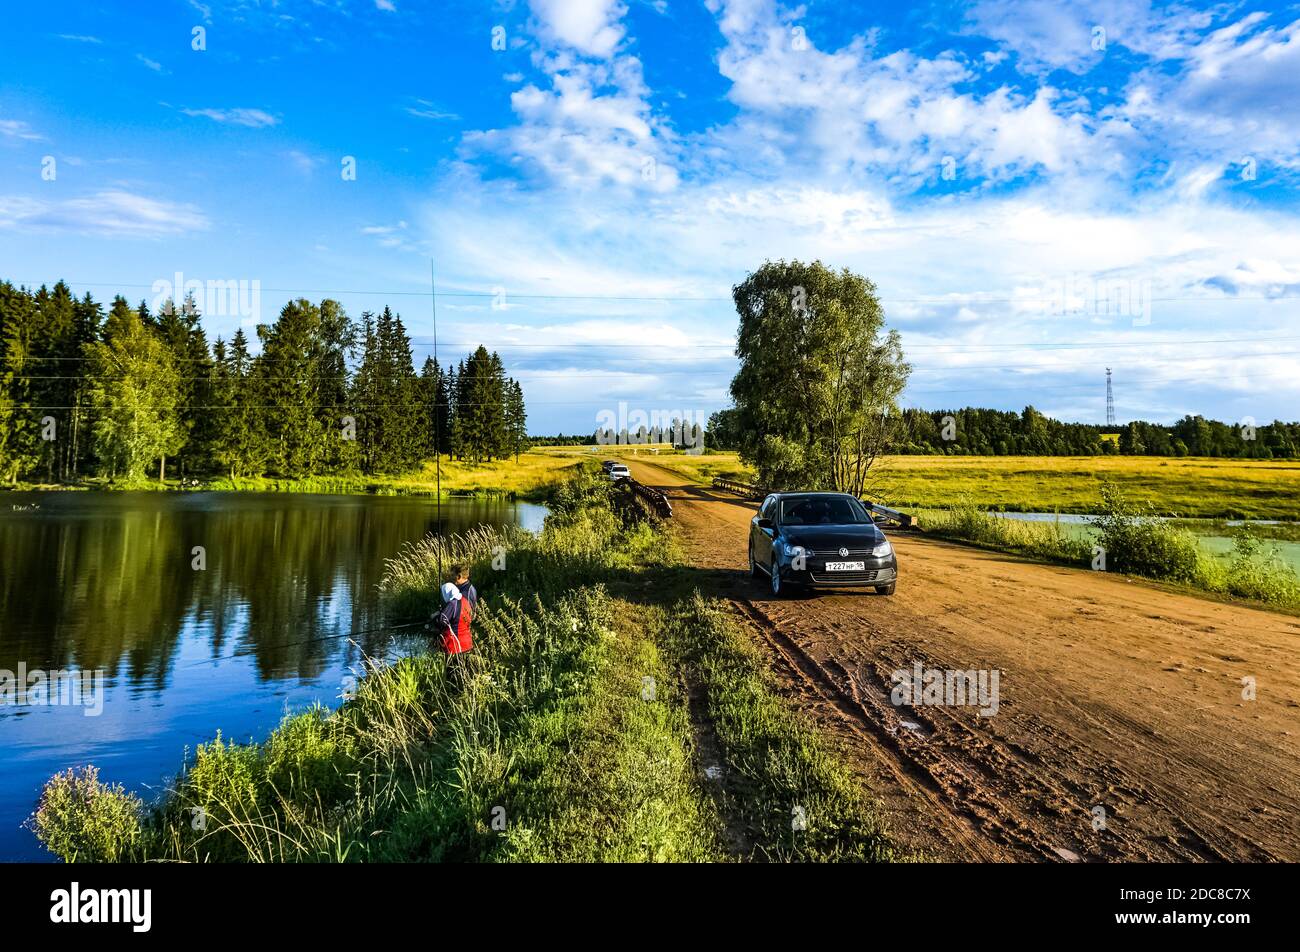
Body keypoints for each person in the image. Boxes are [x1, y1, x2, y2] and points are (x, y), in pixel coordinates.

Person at [435, 581, 473, 655]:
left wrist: (436, 616)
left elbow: (441, 622)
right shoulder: (465, 601)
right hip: (468, 644)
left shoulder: (452, 604)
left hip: (455, 646)